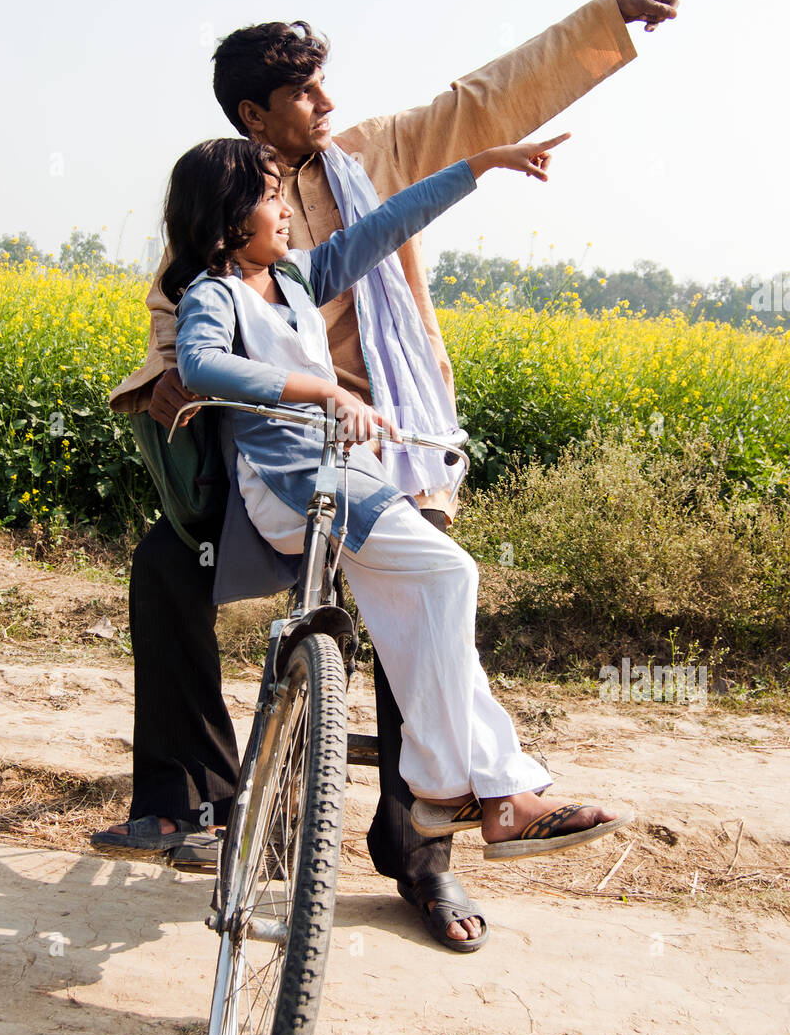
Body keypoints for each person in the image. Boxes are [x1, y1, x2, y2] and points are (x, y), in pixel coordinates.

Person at [96, 0, 699, 950]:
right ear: (255, 113)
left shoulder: (371, 153)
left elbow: (483, 103)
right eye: (303, 91)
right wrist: (166, 376)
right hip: (273, 450)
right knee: (165, 567)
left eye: (327, 83)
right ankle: (187, 801)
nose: (328, 103)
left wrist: (605, 20)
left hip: (383, 436)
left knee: (409, 606)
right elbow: (179, 308)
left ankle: (419, 853)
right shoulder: (226, 189)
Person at [166, 131, 632, 872]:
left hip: (345, 479)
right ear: (226, 217)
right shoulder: (211, 294)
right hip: (294, 487)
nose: (285, 210)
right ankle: (443, 786)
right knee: (453, 576)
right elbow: (199, 365)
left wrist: (480, 165)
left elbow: (386, 227)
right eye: (269, 195)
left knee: (425, 625)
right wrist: (324, 387)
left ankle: (505, 796)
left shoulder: (294, 279)